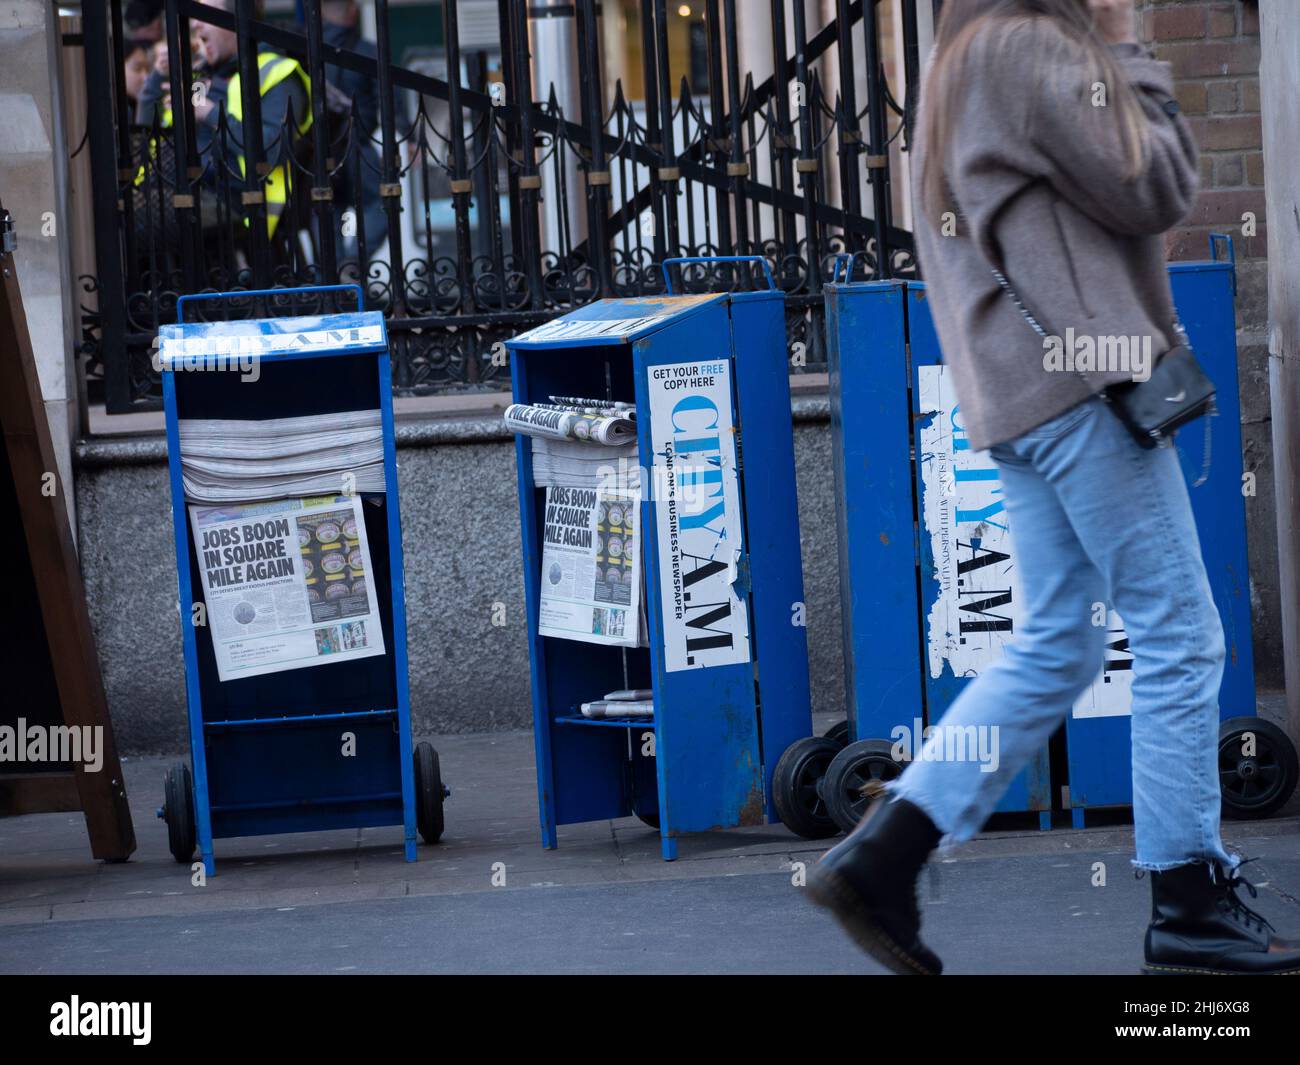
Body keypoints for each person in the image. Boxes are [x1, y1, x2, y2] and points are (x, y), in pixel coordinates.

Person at [806, 0, 1300, 976]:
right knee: (1180, 634)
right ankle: (1190, 898)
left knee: (1058, 642)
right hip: (1083, 384)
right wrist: (1122, 46)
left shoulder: (960, 57)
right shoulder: (1031, 49)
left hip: (1021, 397)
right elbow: (1157, 184)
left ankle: (886, 853)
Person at [192, 0, 312, 240]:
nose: (195, 24)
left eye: (205, 15)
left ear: (235, 23)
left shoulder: (276, 71)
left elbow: (273, 149)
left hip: (245, 211)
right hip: (190, 197)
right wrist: (156, 80)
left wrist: (211, 114)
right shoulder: (202, 74)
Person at [319, 0, 388, 260]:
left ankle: (333, 270)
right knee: (382, 201)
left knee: (326, 206)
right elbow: (387, 98)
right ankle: (353, 264)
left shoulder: (307, 48)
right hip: (358, 143)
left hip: (320, 150)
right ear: (352, 11)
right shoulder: (366, 51)